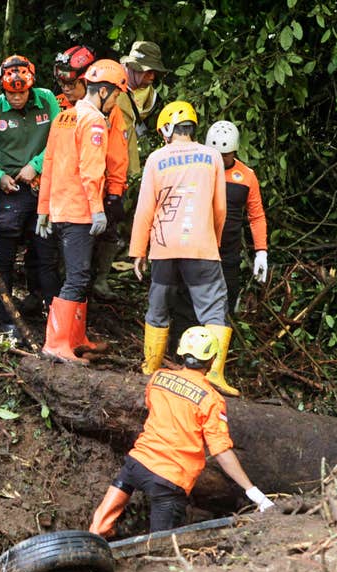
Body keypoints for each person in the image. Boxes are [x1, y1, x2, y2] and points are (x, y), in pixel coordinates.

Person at [88, 326, 274, 537]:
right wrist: (253, 492)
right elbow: (221, 450)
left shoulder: (158, 378)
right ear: (213, 360)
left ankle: (96, 533)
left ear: (182, 352)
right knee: (161, 546)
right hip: (169, 480)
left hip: (136, 465)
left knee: (105, 518)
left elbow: (152, 406)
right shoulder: (211, 399)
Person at [131, 101, 239, 396]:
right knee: (213, 308)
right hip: (201, 245)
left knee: (158, 306)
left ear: (167, 129)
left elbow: (145, 209)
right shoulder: (212, 157)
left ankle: (150, 368)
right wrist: (214, 240)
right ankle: (214, 374)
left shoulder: (156, 159)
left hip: (164, 247)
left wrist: (139, 250)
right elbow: (220, 208)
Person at [36, 59, 127, 364]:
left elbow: (48, 164)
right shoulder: (95, 121)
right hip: (79, 210)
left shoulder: (64, 117)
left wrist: (43, 209)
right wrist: (99, 210)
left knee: (80, 275)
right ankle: (56, 343)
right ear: (103, 91)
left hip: (61, 208)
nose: (115, 102)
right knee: (76, 277)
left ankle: (75, 338)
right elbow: (91, 170)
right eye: (116, 95)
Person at [0, 55, 61, 334]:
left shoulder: (47, 101)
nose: (17, 98)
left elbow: (60, 139)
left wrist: (36, 165)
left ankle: (54, 319)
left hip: (42, 188)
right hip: (10, 190)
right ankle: (6, 319)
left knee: (46, 255)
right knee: (4, 257)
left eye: (22, 92)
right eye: (11, 93)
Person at [171, 120, 269, 371]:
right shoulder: (197, 169)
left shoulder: (246, 176)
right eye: (216, 154)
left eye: (225, 155)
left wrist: (261, 252)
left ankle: (215, 366)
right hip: (197, 247)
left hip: (228, 252)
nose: (220, 159)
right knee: (186, 300)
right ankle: (179, 355)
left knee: (224, 303)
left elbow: (256, 215)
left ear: (234, 151)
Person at [52, 45, 128, 300]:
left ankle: (96, 287)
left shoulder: (110, 112)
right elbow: (50, 154)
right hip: (64, 195)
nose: (66, 88)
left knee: (96, 250)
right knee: (68, 267)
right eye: (61, 82)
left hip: (95, 192)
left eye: (71, 82)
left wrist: (114, 193)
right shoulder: (59, 108)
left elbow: (116, 156)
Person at [116, 41, 165, 181]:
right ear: (132, 67)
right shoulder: (116, 92)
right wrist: (134, 176)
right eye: (148, 71)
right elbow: (126, 138)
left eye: (154, 72)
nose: (152, 77)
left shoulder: (147, 93)